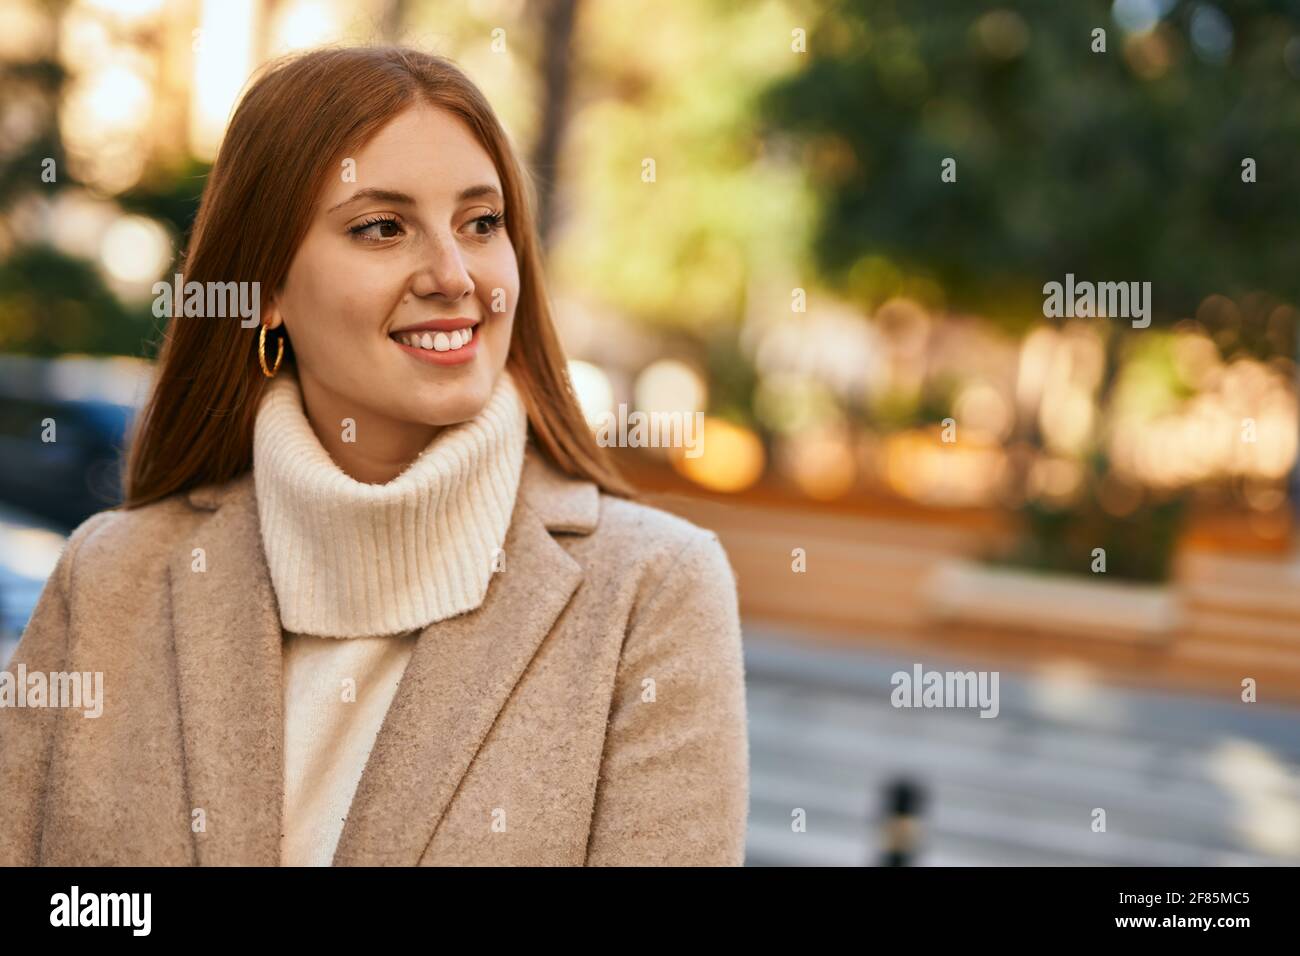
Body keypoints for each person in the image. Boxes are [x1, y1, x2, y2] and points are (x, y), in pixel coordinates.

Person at [0, 46, 749, 867]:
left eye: (481, 222)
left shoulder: (652, 592)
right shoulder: (111, 578)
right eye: (382, 227)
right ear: (266, 289)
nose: (454, 275)